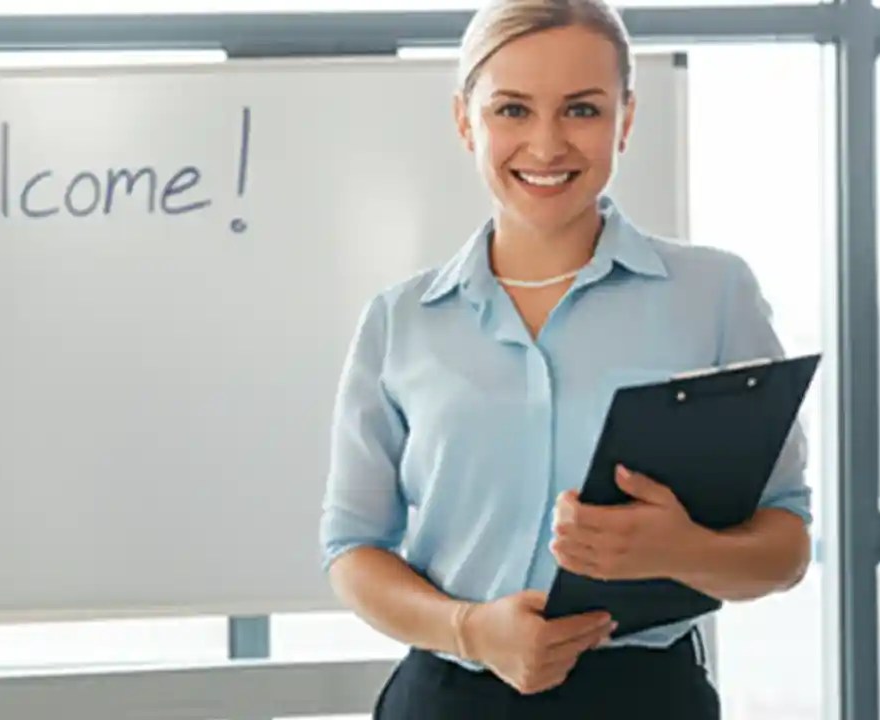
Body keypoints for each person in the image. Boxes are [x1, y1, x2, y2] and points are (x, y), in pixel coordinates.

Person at [318, 1, 813, 717]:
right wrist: (470, 630)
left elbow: (786, 543)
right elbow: (352, 548)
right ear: (466, 120)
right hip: (449, 696)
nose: (546, 146)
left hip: (646, 699)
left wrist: (679, 549)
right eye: (512, 110)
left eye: (581, 110)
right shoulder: (402, 321)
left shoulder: (714, 295)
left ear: (626, 118)